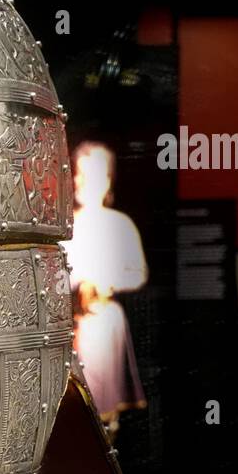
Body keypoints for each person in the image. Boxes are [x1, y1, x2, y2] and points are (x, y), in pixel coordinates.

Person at [63, 142, 148, 439]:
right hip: (69, 324)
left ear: (108, 180)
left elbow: (137, 273)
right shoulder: (65, 226)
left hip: (101, 321)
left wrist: (103, 283)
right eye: (79, 174)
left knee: (102, 405)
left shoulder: (119, 225)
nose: (82, 182)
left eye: (92, 175)